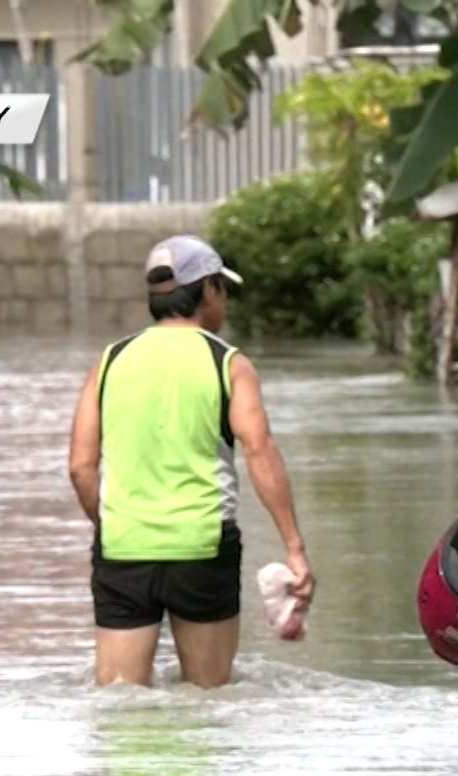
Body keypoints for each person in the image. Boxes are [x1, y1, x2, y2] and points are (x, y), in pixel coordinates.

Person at [67, 235, 314, 689]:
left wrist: (110, 526)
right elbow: (260, 451)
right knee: (209, 699)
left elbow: (81, 466)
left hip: (124, 549)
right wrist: (294, 548)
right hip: (202, 549)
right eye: (223, 290)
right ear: (209, 290)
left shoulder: (110, 360)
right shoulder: (228, 363)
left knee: (121, 702)